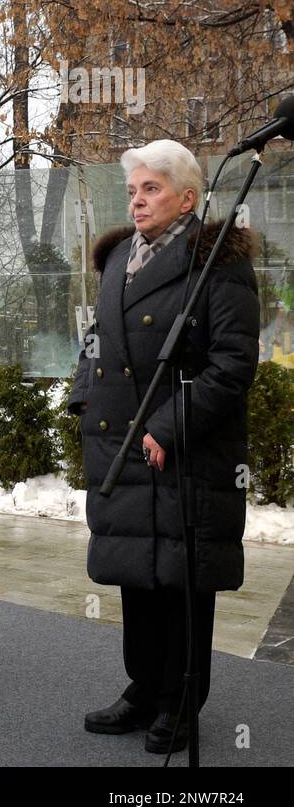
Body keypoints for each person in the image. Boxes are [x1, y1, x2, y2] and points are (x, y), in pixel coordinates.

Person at [70, 140, 259, 754]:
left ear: (186, 196)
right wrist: (81, 398)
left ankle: (182, 701)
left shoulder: (216, 259)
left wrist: (170, 425)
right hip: (119, 442)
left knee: (180, 579)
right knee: (135, 575)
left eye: (151, 189)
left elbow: (233, 362)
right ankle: (144, 687)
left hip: (183, 451)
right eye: (132, 190)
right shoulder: (121, 254)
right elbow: (97, 337)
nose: (138, 200)